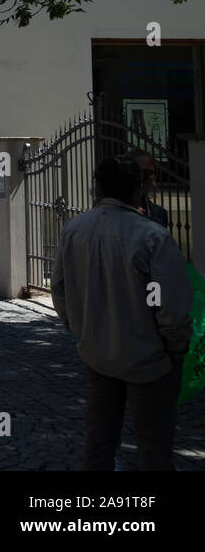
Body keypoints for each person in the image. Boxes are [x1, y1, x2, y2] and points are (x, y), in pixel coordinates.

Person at [52, 154, 191, 471]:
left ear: (98, 189)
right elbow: (167, 303)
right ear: (138, 190)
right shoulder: (152, 236)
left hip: (98, 353)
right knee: (153, 447)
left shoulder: (74, 229)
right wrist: (174, 347)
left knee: (99, 441)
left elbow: (60, 290)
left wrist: (80, 329)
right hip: (148, 359)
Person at [129, 149, 170, 231]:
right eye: (138, 172)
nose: (142, 178)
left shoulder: (159, 213)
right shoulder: (111, 213)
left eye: (148, 173)